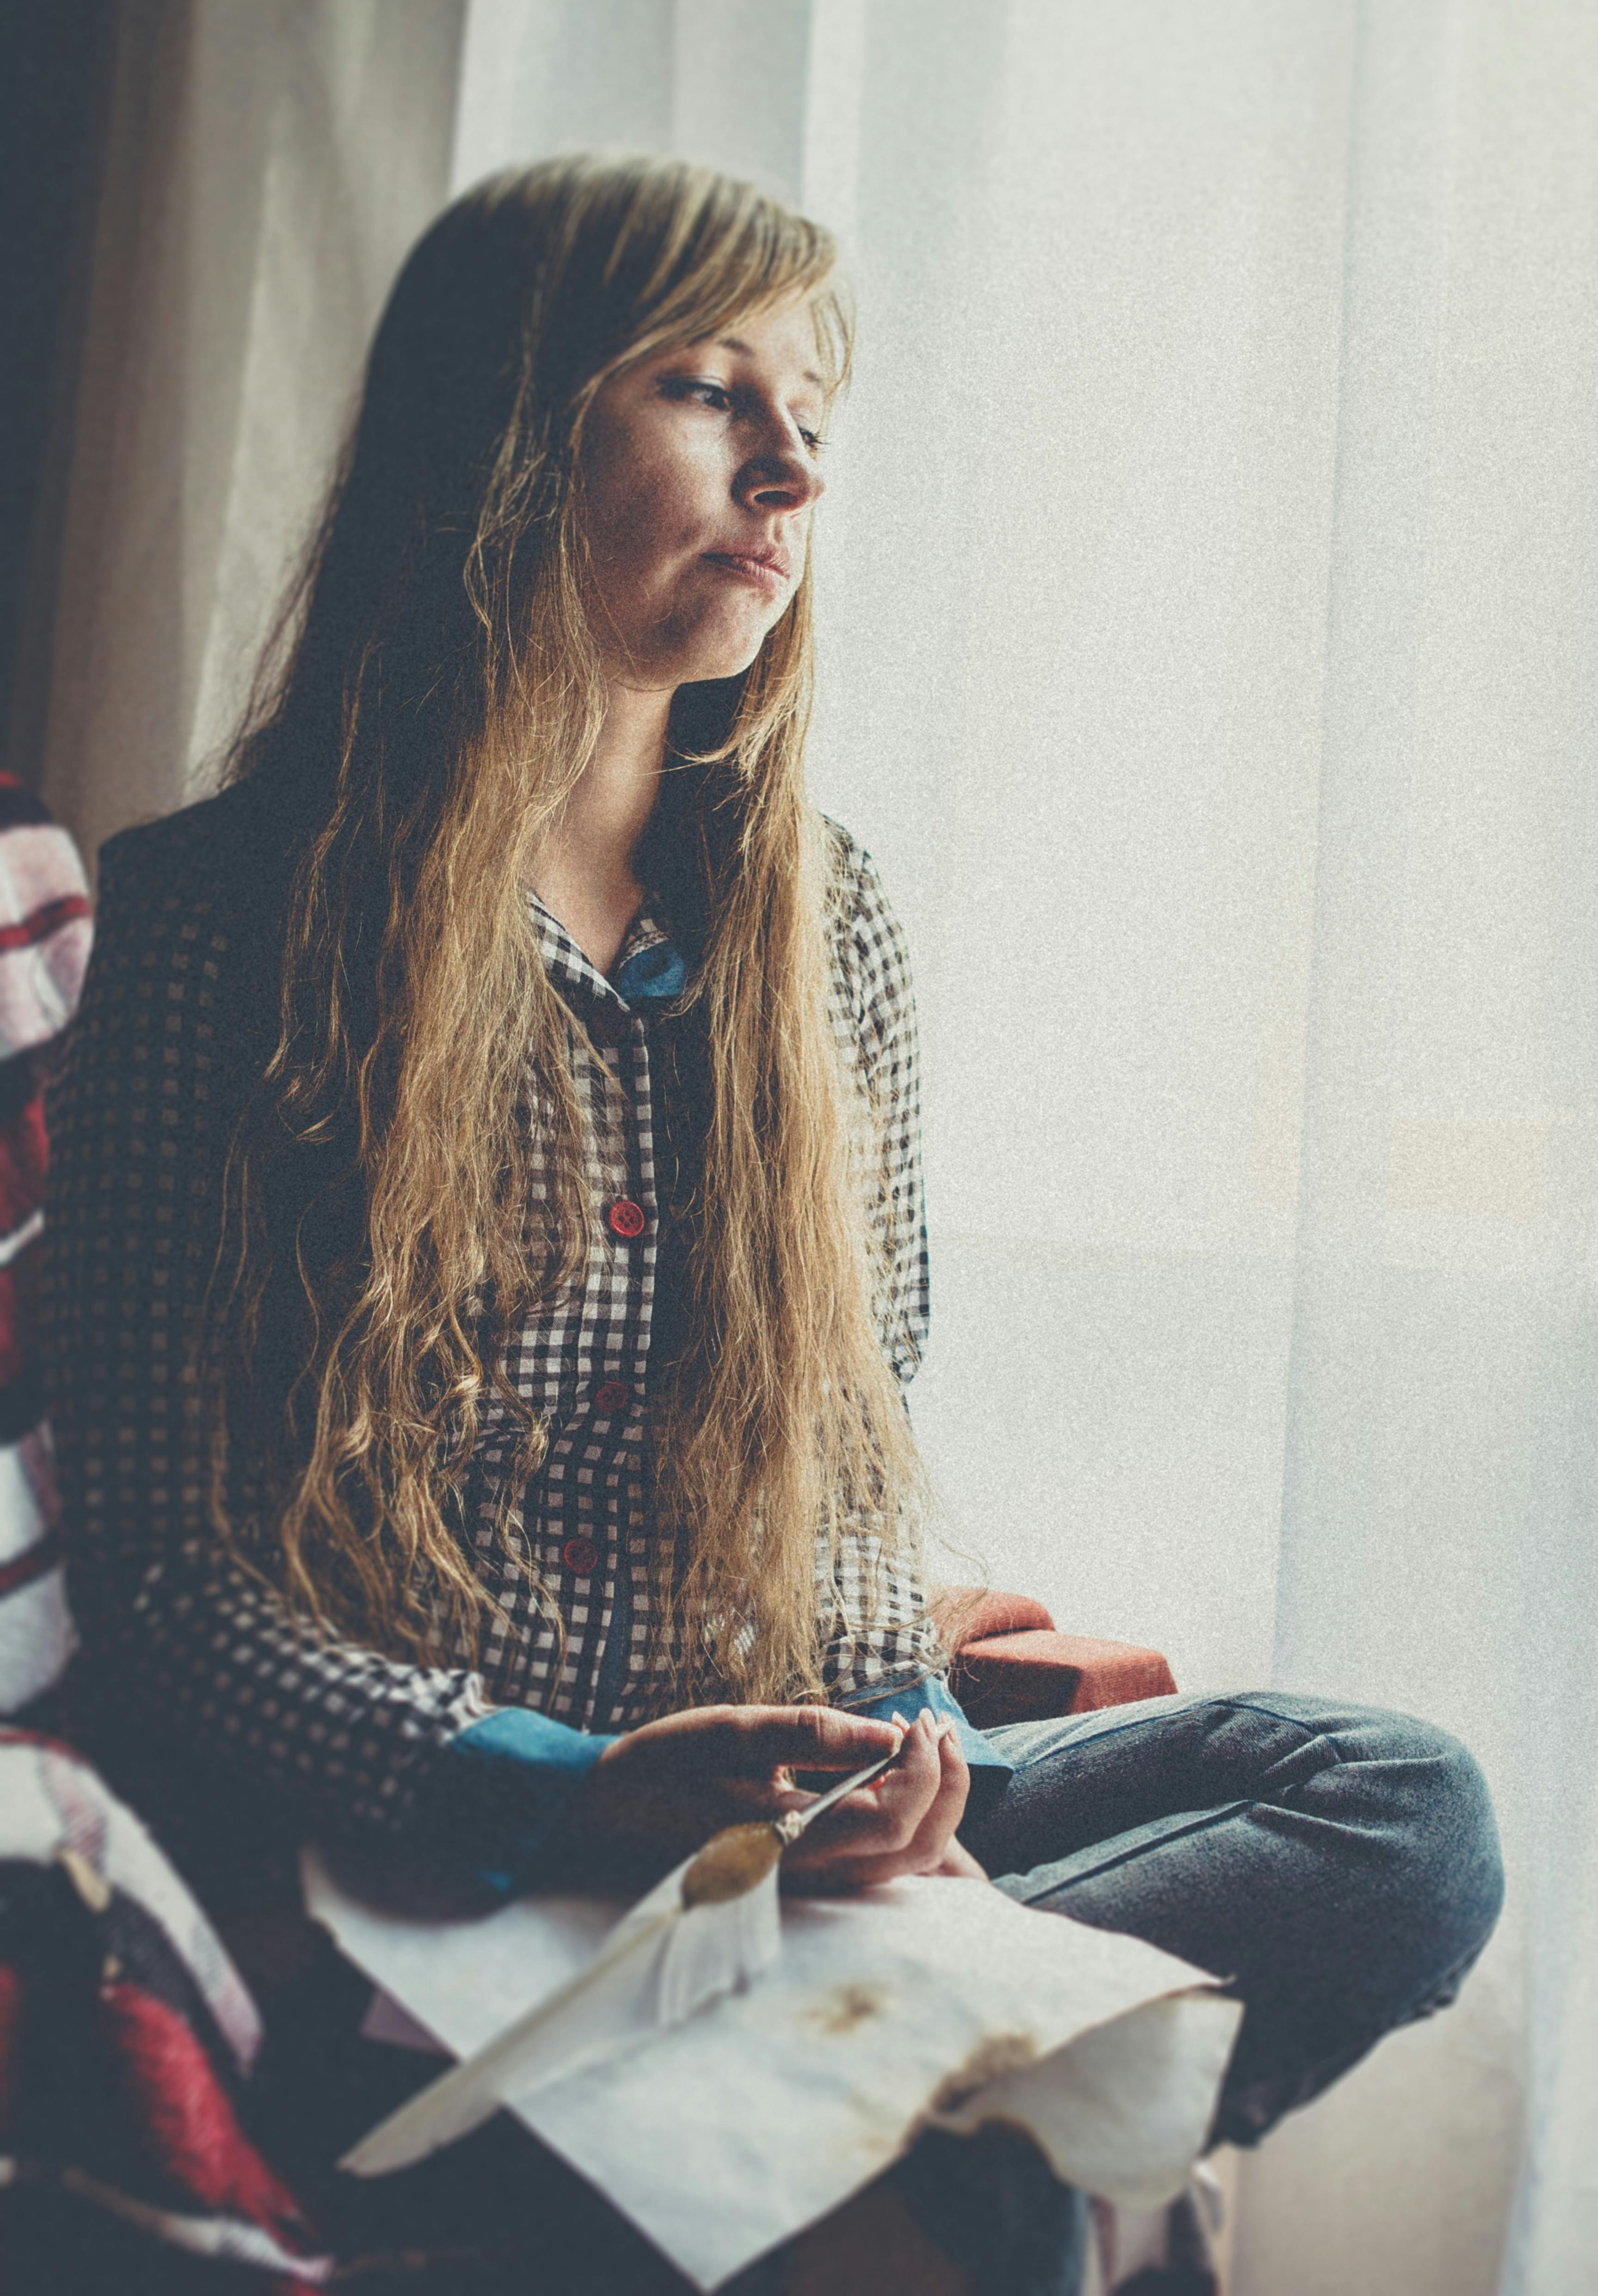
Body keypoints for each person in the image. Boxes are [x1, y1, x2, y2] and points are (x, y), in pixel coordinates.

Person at [41, 155, 1503, 2296]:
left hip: (811, 1826)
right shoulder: (210, 933)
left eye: (809, 401)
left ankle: (812, 2114)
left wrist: (885, 1741)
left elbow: (852, 1432)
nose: (794, 465)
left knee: (1403, 1808)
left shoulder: (835, 930)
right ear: (508, 427)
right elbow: (168, 1581)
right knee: (990, 2194)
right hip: (461, 1860)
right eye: (710, 388)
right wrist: (569, 1782)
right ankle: (867, 2129)